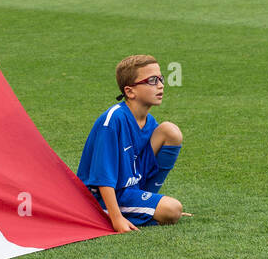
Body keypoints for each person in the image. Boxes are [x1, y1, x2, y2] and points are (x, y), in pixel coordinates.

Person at [76, 54, 187, 233]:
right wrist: (116, 218)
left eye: (160, 79)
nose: (160, 85)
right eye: (151, 80)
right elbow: (102, 177)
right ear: (129, 91)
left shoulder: (149, 121)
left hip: (130, 190)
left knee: (170, 131)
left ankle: (148, 203)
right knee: (172, 209)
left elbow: (146, 164)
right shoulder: (113, 120)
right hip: (101, 199)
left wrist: (152, 201)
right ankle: (127, 212)